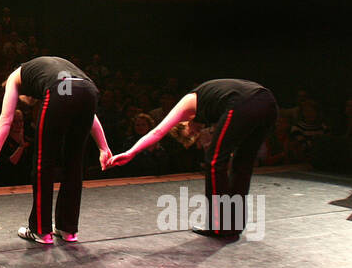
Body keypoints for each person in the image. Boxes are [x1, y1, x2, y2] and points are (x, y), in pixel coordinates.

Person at [108, 78, 278, 239]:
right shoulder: (210, 109)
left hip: (246, 102)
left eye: (191, 133)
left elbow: (158, 132)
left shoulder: (186, 105)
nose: (196, 133)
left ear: (185, 123)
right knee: (242, 164)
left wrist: (131, 152)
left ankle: (219, 225)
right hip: (267, 103)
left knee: (214, 162)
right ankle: (234, 223)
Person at [0, 57, 113, 245]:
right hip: (88, 90)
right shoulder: (47, 69)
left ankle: (40, 230)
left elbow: (6, 118)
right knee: (74, 162)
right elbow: (88, 112)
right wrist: (104, 147)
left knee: (42, 163)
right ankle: (68, 229)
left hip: (59, 90)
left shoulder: (14, 78)